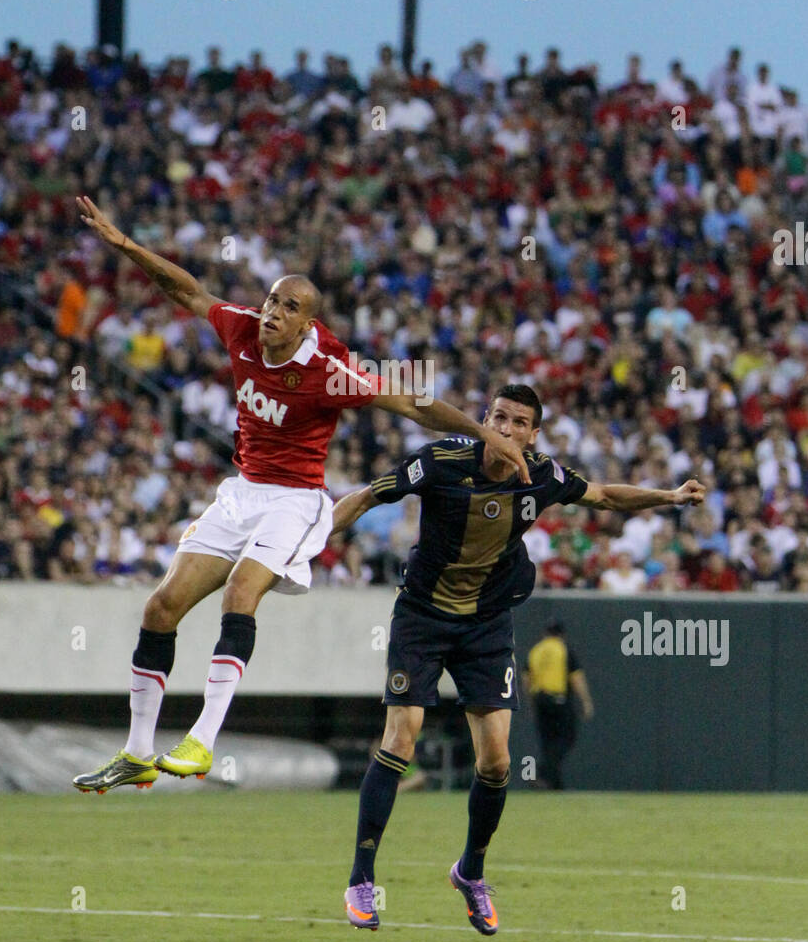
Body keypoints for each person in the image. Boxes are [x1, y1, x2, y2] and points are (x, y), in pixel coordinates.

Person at [71, 196, 530, 793]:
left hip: (296, 500)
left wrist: (483, 432)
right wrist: (127, 247)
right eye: (271, 301)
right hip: (242, 493)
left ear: (307, 323)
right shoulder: (240, 327)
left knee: (241, 593)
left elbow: (410, 401)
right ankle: (136, 752)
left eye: (289, 307)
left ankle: (201, 742)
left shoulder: (326, 371)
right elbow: (188, 292)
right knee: (160, 608)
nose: (273, 313)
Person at [332, 383, 705, 934]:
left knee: (498, 762)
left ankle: (470, 873)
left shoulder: (545, 477)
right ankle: (362, 880)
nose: (506, 429)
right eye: (498, 417)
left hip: (485, 624)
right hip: (424, 616)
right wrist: (305, 538)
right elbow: (366, 496)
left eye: (519, 422)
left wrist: (669, 497)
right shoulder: (440, 461)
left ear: (533, 435)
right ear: (484, 420)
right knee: (401, 736)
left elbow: (602, 495)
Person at [525, 620, 593, 790]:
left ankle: (554, 784)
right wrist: (585, 701)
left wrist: (531, 703)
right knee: (566, 738)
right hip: (558, 699)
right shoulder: (563, 649)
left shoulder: (536, 650)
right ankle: (542, 774)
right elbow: (576, 677)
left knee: (548, 741)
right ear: (562, 634)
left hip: (539, 699)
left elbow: (526, 679)